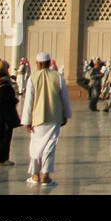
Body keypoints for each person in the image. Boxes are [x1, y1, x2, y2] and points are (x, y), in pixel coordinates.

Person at [21, 52, 71, 187]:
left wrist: (26, 121)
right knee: (50, 146)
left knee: (35, 146)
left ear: (38, 64)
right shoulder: (58, 77)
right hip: (54, 118)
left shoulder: (33, 78)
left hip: (37, 119)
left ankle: (35, 175)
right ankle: (46, 176)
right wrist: (66, 114)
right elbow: (65, 97)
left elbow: (28, 102)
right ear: (49, 63)